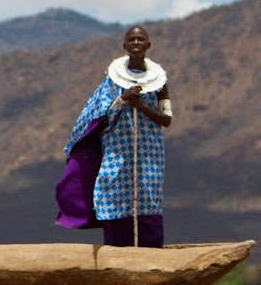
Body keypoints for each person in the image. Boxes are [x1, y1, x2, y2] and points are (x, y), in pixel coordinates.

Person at [55, 25, 173, 247]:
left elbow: (166, 119)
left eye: (141, 39)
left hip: (149, 150)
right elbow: (101, 114)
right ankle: (117, 252)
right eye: (132, 39)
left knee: (147, 195)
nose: (136, 43)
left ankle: (150, 254)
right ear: (125, 46)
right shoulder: (113, 79)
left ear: (148, 45)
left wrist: (142, 106)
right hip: (118, 147)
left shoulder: (159, 81)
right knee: (113, 189)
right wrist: (124, 99)